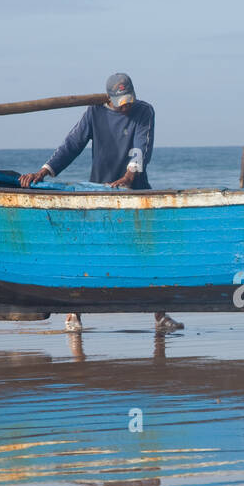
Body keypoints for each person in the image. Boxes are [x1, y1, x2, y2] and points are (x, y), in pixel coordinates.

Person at [19, 73, 182, 334]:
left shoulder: (144, 111)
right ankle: (74, 313)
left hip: (136, 192)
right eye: (121, 102)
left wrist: (130, 175)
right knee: (87, 252)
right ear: (110, 99)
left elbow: (142, 146)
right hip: (99, 192)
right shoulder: (94, 112)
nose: (126, 106)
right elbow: (72, 145)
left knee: (149, 253)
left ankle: (160, 315)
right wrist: (45, 170)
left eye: (129, 99)